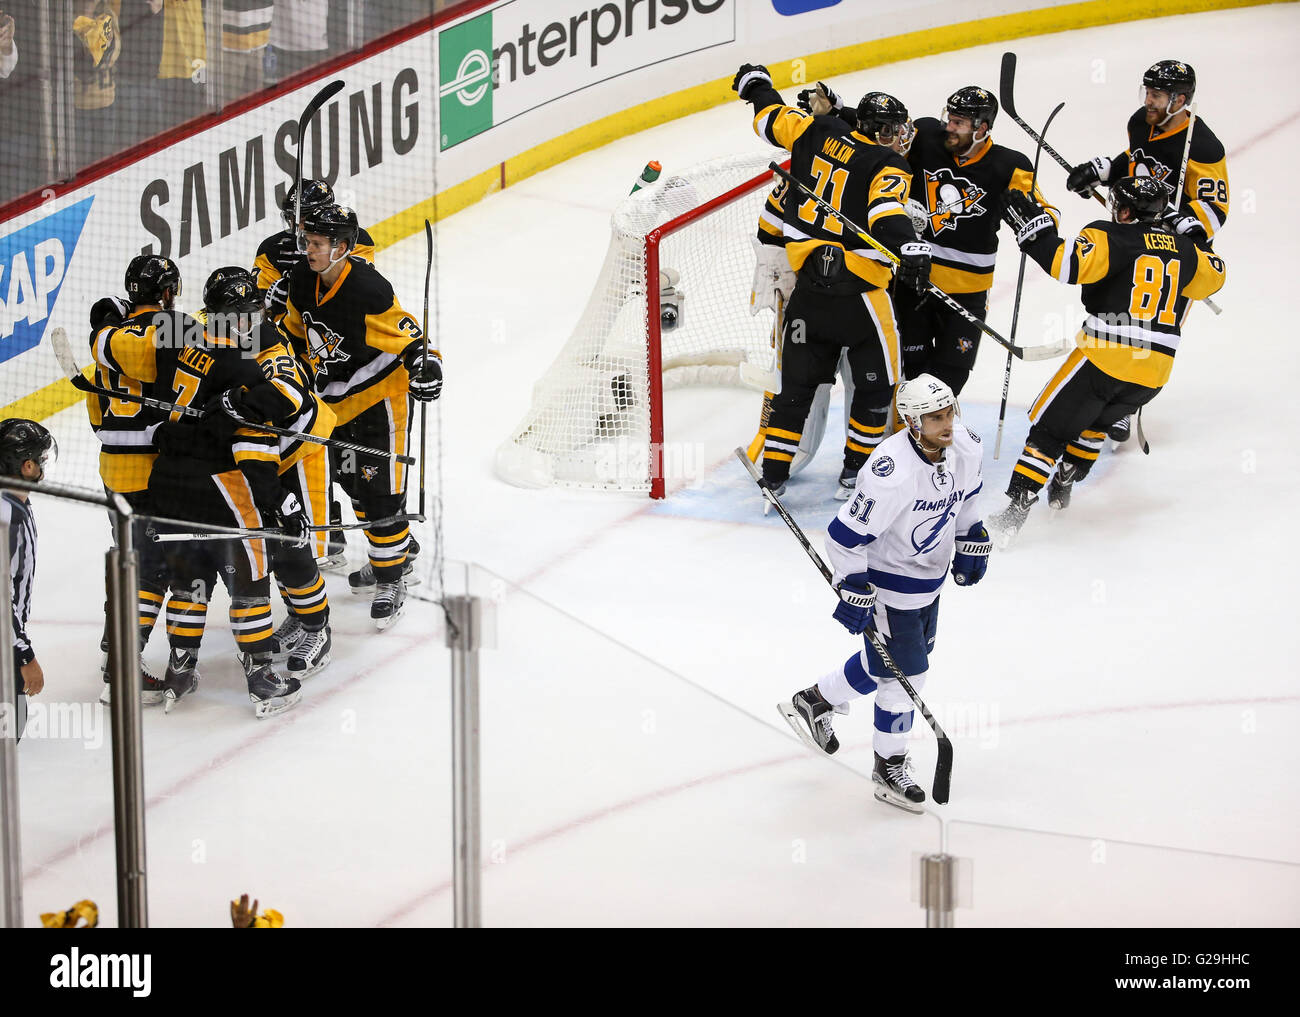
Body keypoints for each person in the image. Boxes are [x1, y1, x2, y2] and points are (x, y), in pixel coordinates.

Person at [780, 375, 988, 813]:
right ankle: (888, 765)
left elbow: (966, 500)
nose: (946, 424)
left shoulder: (965, 446)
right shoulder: (890, 472)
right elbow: (842, 537)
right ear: (913, 422)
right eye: (935, 418)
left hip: (930, 580)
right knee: (905, 676)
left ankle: (815, 701)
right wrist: (853, 586)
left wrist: (972, 536)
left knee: (887, 664)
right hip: (890, 587)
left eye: (949, 412)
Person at [989, 175, 1226, 544]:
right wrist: (1193, 234)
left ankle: (1013, 513)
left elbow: (1066, 265)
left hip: (1104, 356)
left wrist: (1034, 230)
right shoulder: (1186, 250)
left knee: (1050, 431)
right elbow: (1216, 277)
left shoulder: (1109, 235)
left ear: (1127, 211)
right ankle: (1067, 477)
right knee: (1095, 424)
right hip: (1153, 373)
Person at [732, 63, 930, 502]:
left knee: (796, 386)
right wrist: (910, 247)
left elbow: (769, 117)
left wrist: (757, 85)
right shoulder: (889, 163)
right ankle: (856, 472)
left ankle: (774, 473)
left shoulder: (811, 130)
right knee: (878, 384)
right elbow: (885, 213)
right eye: (896, 130)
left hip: (807, 295)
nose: (903, 137)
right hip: (860, 299)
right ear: (880, 133)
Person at [280, 204, 442, 629]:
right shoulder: (300, 278)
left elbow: (410, 336)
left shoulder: (367, 289)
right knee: (352, 482)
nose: (308, 250)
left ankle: (393, 575)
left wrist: (428, 363)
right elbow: (296, 333)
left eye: (316, 243)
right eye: (306, 241)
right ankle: (388, 552)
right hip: (333, 405)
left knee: (381, 491)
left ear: (343, 247)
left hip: (379, 400)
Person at [1065, 60, 1228, 444]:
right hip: (1133, 238)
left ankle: (1125, 404)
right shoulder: (1142, 121)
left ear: (1180, 99)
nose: (1148, 101)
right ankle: (1105, 387)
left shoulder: (1203, 145)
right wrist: (1103, 170)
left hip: (1175, 251)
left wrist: (1181, 219)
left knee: (1151, 326)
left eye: (1156, 95)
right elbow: (1136, 161)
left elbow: (1214, 209)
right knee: (1117, 312)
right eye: (1147, 92)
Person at [253, 178, 385, 577]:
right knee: (309, 456)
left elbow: (347, 290)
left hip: (342, 368)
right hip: (297, 369)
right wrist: (272, 298)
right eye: (297, 222)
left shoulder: (352, 239)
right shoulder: (272, 250)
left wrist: (298, 281)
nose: (302, 231)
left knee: (354, 468)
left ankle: (392, 542)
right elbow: (257, 313)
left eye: (311, 222)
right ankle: (327, 536)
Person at [896, 86, 1057, 396]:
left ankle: (933, 442)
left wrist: (1036, 223)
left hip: (968, 293)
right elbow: (882, 134)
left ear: (981, 129)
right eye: (949, 118)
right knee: (910, 377)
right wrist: (837, 113)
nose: (949, 127)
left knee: (948, 383)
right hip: (915, 280)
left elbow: (1047, 212)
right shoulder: (927, 136)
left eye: (959, 122)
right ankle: (902, 443)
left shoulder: (1010, 165)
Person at [0, 418, 53, 744]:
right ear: (27, 464)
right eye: (41, 460)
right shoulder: (11, 519)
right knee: (10, 730)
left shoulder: (15, 502)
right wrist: (25, 656)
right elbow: (4, 600)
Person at [71, 1, 121, 170]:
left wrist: (97, 48)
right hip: (77, 109)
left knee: (104, 165)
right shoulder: (68, 21)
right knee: (81, 168)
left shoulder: (107, 15)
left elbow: (114, 52)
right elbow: (83, 70)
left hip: (106, 103)